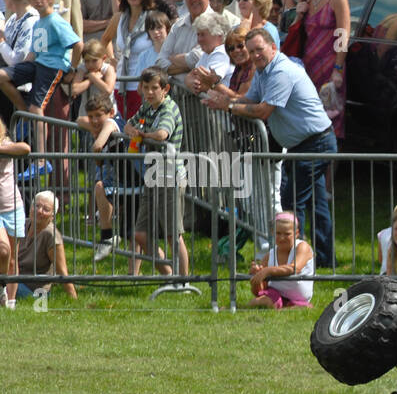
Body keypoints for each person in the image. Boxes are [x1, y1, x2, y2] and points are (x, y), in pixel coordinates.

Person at [204, 28, 337, 268]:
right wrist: (221, 99)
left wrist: (228, 107)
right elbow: (249, 100)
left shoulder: (281, 72)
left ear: (273, 47)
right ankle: (325, 261)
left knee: (292, 204)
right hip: (304, 144)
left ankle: (297, 263)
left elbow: (264, 110)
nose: (255, 55)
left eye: (259, 50)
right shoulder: (264, 72)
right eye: (251, 51)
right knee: (316, 204)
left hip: (316, 143)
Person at [128, 66, 189, 282]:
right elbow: (128, 125)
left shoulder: (168, 109)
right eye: (146, 88)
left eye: (155, 88)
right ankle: (169, 275)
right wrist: (134, 131)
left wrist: (142, 135)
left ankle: (183, 281)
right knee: (140, 234)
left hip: (171, 176)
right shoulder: (147, 106)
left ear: (166, 89)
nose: (150, 92)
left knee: (173, 234)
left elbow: (162, 134)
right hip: (153, 175)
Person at [294, 0, 348, 136]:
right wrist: (298, 15)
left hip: (330, 67)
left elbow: (343, 34)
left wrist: (338, 69)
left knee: (330, 122)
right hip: (308, 66)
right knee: (308, 120)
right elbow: (297, 33)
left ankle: (330, 165)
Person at [102, 0, 159, 118]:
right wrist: (112, 59)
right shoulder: (119, 18)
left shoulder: (153, 18)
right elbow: (105, 40)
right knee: (127, 134)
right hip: (121, 86)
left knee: (140, 134)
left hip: (145, 87)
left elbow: (162, 47)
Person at [84, 92, 131, 265]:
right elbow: (99, 161)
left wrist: (96, 138)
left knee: (99, 187)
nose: (95, 120)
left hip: (132, 176)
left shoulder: (111, 123)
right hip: (123, 175)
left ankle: (107, 237)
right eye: (91, 117)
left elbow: (97, 148)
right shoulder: (103, 126)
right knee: (138, 236)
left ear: (110, 113)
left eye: (99, 115)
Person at [0, 108, 29, 307]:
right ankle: (0, 287)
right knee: (2, 250)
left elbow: (25, 149)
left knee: (12, 258)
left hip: (12, 206)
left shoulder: (5, 144)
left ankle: (10, 303)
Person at [15, 189, 78, 302]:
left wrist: (74, 301)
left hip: (34, 290)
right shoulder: (23, 224)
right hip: (15, 277)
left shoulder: (51, 236)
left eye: (46, 209)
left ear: (53, 216)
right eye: (37, 205)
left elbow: (62, 272)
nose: (39, 211)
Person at [247, 210, 313, 307]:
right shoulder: (270, 255)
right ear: (273, 232)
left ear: (297, 233)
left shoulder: (302, 247)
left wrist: (268, 271)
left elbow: (295, 268)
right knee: (261, 301)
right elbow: (259, 291)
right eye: (278, 233)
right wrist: (256, 277)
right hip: (275, 294)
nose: (282, 238)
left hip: (298, 297)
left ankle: (291, 306)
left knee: (300, 306)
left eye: (287, 234)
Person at [68, 37, 116, 117]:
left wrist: (93, 78)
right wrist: (90, 80)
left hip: (106, 114)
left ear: (103, 58)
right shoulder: (82, 68)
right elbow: (74, 90)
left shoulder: (108, 68)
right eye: (87, 61)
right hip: (86, 115)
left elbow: (108, 90)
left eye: (94, 60)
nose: (90, 64)